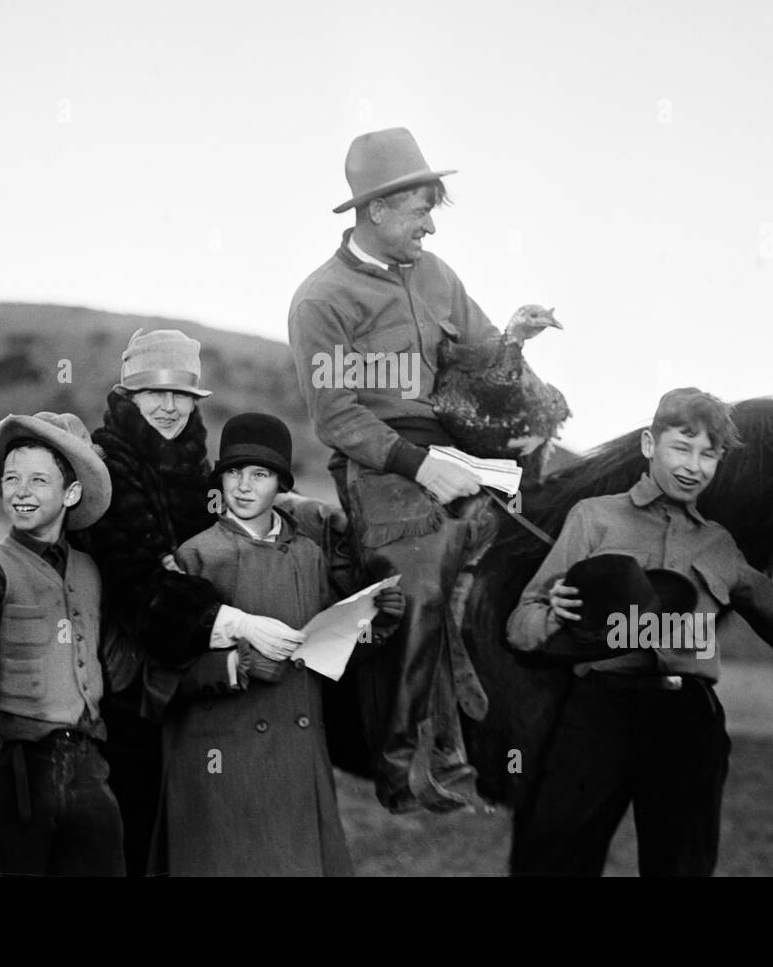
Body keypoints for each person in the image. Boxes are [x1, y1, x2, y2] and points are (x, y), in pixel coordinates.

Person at [505, 387, 773, 876]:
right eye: (681, 446)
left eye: (708, 454)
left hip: (686, 722)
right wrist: (552, 612)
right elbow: (520, 629)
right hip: (597, 714)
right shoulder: (593, 519)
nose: (693, 465)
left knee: (681, 870)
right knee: (550, 863)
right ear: (651, 445)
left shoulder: (720, 545)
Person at [287, 127, 503, 814]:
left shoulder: (440, 278)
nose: (431, 225)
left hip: (455, 449)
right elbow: (337, 417)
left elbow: (487, 351)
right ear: (375, 210)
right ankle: (405, 761)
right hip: (379, 464)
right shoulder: (321, 299)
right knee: (418, 580)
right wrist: (420, 465)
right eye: (419, 209)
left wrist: (516, 349)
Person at [71, 328, 323, 876]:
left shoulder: (192, 469)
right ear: (127, 396)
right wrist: (235, 622)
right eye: (153, 392)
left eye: (181, 393)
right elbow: (138, 589)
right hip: (127, 688)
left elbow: (227, 541)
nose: (168, 405)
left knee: (193, 837)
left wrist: (299, 510)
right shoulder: (105, 470)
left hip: (192, 685)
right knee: (131, 839)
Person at [148, 413, 404, 876]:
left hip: (295, 764)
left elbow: (326, 650)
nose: (243, 487)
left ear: (281, 484)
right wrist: (234, 667)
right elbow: (155, 674)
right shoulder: (194, 556)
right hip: (219, 768)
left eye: (260, 474)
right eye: (233, 472)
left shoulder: (308, 555)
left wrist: (376, 622)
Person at [0, 411, 123, 876]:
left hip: (86, 766)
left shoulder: (90, 572)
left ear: (70, 493)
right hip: (15, 769)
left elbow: (106, 660)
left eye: (39, 480)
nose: (21, 491)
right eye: (12, 478)